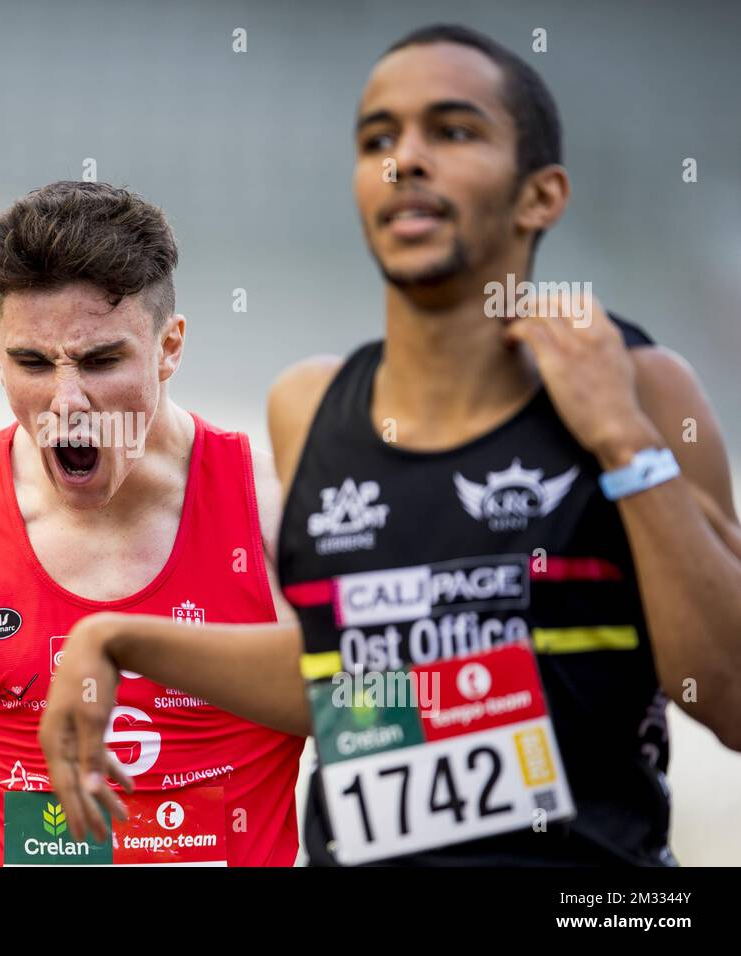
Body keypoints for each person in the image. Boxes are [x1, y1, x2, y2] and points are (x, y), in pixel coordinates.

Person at [40, 24, 741, 865]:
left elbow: (730, 700)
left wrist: (624, 440)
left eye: (453, 131)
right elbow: (343, 681)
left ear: (540, 196)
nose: (405, 159)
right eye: (379, 138)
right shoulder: (310, 406)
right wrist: (117, 638)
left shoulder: (645, 386)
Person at [0, 180, 305, 866]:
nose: (66, 402)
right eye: (32, 363)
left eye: (101, 360)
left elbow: (383, 750)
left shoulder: (278, 517)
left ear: (170, 347)